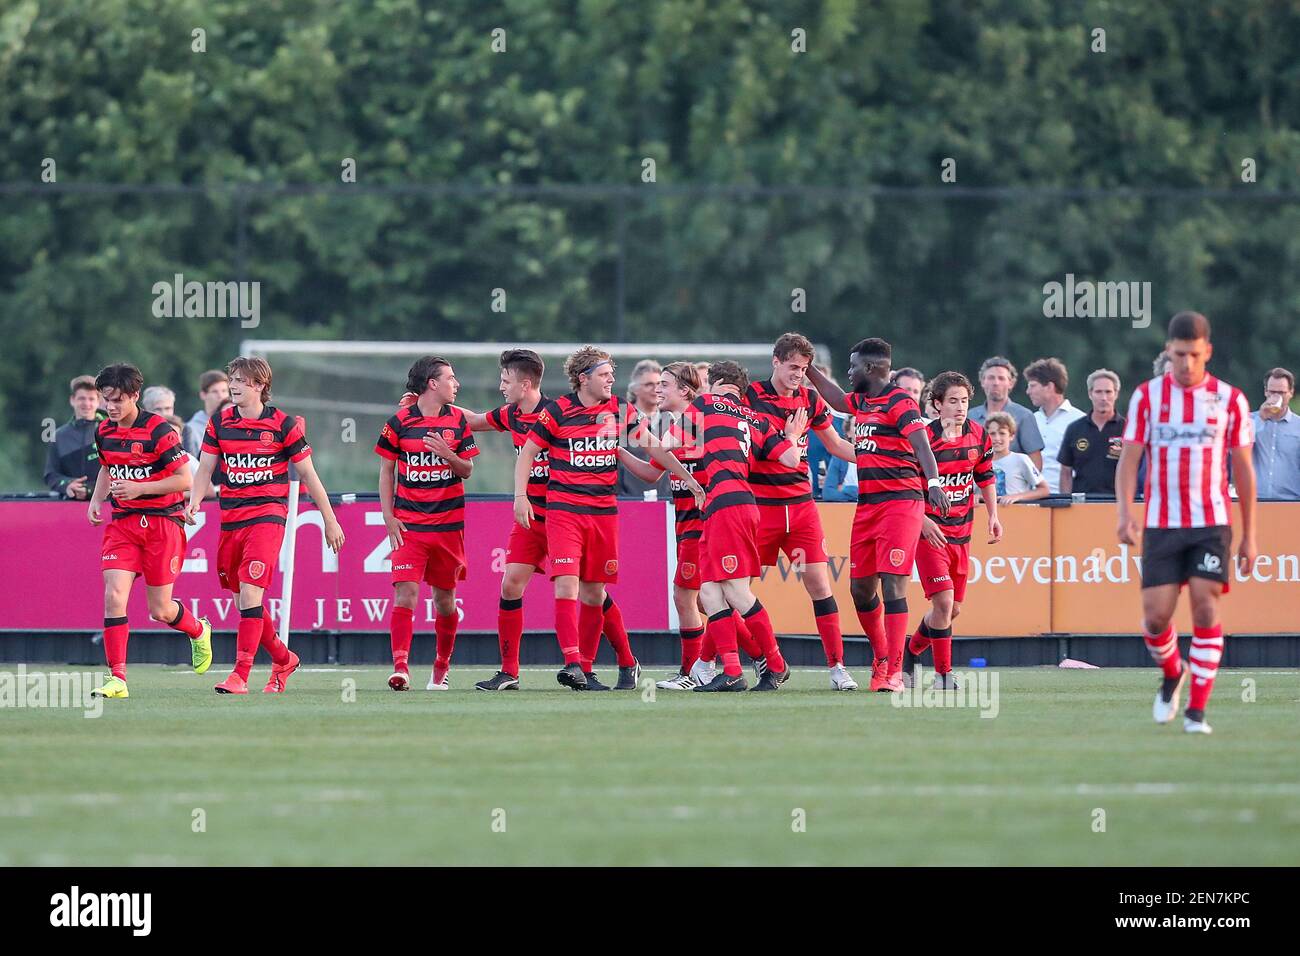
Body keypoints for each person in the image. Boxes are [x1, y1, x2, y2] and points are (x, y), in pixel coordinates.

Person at [1116, 311, 1257, 735]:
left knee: (1205, 604)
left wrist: (1250, 536)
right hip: (1162, 523)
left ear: (1207, 351)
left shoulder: (1231, 400)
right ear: (1168, 351)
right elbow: (1129, 458)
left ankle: (1196, 712)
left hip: (1212, 522)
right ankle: (1172, 672)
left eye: (1194, 355)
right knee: (1157, 618)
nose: (1187, 364)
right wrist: (1124, 512)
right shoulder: (1147, 396)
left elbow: (1244, 469)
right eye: (1179, 355)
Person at [514, 346, 679, 690]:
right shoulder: (558, 410)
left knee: (594, 594)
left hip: (603, 513)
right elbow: (527, 453)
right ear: (583, 378)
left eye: (612, 375)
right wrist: (520, 498)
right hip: (563, 511)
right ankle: (574, 664)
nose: (611, 380)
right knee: (567, 585)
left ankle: (604, 666)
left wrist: (686, 477)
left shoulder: (620, 410)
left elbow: (654, 452)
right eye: (605, 375)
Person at [187, 356, 344, 695]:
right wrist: (195, 500)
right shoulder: (220, 422)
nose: (234, 386)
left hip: (267, 517)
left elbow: (308, 474)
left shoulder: (283, 425)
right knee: (244, 600)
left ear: (259, 386)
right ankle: (283, 658)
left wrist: (329, 519)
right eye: (232, 379)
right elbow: (204, 470)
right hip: (231, 520)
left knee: (250, 592)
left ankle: (240, 675)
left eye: (241, 381)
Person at [646, 361, 803, 692]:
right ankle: (731, 670)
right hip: (741, 505)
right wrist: (790, 435)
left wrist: (632, 428)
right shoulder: (756, 418)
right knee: (710, 590)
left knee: (734, 590)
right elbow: (791, 459)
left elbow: (668, 444)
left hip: (726, 505)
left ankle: (775, 663)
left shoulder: (704, 404)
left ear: (716, 384)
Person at [808, 338, 950, 692]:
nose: (849, 371)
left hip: (901, 503)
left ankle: (895, 671)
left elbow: (921, 445)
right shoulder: (863, 401)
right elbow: (839, 401)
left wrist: (933, 482)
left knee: (893, 582)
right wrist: (808, 368)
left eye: (853, 366)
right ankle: (882, 656)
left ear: (871, 368)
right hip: (868, 505)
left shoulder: (900, 401)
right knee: (860, 590)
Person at [87, 364, 212, 699]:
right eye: (106, 400)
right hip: (124, 525)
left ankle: (199, 630)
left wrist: (140, 488)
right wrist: (97, 500)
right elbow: (106, 466)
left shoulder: (159, 431)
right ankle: (118, 679)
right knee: (114, 596)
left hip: (162, 525)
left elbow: (185, 480)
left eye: (117, 400)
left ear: (135, 396)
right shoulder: (104, 431)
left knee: (160, 610)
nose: (110, 406)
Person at [745, 333, 861, 690]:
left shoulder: (810, 399)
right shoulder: (751, 396)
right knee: (729, 590)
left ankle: (838, 667)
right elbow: (759, 448)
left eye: (804, 368)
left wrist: (878, 459)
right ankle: (759, 658)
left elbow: (837, 444)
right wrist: (790, 437)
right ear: (776, 361)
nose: (798, 374)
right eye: (793, 366)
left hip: (800, 507)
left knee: (819, 584)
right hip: (760, 506)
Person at [373, 357, 477, 691]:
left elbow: (467, 470)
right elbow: (386, 471)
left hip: (448, 525)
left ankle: (441, 667)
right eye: (451, 377)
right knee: (405, 592)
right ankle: (400, 668)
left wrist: (448, 454)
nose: (456, 383)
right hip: (410, 525)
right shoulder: (399, 421)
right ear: (432, 383)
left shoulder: (458, 420)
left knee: (445, 601)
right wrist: (389, 517)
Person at [906, 372, 1001, 689]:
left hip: (963, 533)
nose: (960, 407)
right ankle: (943, 676)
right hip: (929, 532)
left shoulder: (978, 434)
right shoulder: (923, 439)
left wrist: (993, 515)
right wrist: (921, 519)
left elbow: (985, 477)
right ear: (936, 405)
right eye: (953, 401)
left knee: (951, 609)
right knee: (944, 603)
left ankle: (912, 649)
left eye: (964, 401)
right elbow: (905, 485)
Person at [618, 363, 710, 688]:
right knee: (704, 600)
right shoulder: (678, 426)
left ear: (685, 390)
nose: (659, 389)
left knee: (687, 597)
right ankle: (759, 658)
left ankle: (692, 673)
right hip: (686, 524)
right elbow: (651, 472)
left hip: (703, 526)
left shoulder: (698, 424)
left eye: (666, 384)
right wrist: (615, 450)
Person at [1058, 369, 1125, 496]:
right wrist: (1066, 502)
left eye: (1108, 392)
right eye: (1098, 392)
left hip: (1117, 503)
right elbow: (1066, 471)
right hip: (1082, 505)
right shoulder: (1075, 429)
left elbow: (1137, 469)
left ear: (1116, 394)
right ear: (1090, 394)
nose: (1104, 398)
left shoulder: (1127, 429)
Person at [968, 357, 1045, 468]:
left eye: (1001, 378)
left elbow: (1036, 462)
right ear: (982, 381)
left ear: (1011, 383)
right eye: (991, 378)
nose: (996, 383)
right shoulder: (970, 417)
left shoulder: (1024, 416)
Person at [1025, 357, 1085, 493]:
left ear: (1050, 386)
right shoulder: (1031, 420)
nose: (1028, 391)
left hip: (1066, 501)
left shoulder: (1080, 420)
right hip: (1033, 500)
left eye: (1032, 385)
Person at [617, 359, 669, 498]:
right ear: (634, 389)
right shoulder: (620, 419)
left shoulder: (673, 420)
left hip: (668, 504)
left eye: (659, 384)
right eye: (648, 384)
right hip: (629, 502)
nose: (655, 389)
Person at [44, 375, 102, 500]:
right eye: (81, 398)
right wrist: (67, 485)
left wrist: (90, 490)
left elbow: (121, 474)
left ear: (98, 402)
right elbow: (50, 475)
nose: (86, 403)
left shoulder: (111, 431)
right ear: (72, 400)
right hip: (69, 507)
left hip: (106, 506)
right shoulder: (59, 435)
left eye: (91, 399)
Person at [1251, 367, 1300, 501]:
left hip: (1291, 502)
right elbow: (1238, 449)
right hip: (1256, 500)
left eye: (1282, 393)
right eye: (1272, 392)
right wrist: (1261, 419)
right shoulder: (1249, 422)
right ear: (1265, 392)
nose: (1276, 397)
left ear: (1291, 393)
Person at [986, 413, 1049, 503]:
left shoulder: (1021, 460)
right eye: (992, 434)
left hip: (1016, 513)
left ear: (1011, 436)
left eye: (1002, 433)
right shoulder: (979, 463)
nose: (997, 438)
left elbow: (1044, 490)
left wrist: (1018, 496)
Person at [183, 369, 230, 457]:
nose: (221, 396)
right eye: (215, 391)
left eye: (224, 391)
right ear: (203, 395)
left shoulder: (237, 423)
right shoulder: (191, 429)